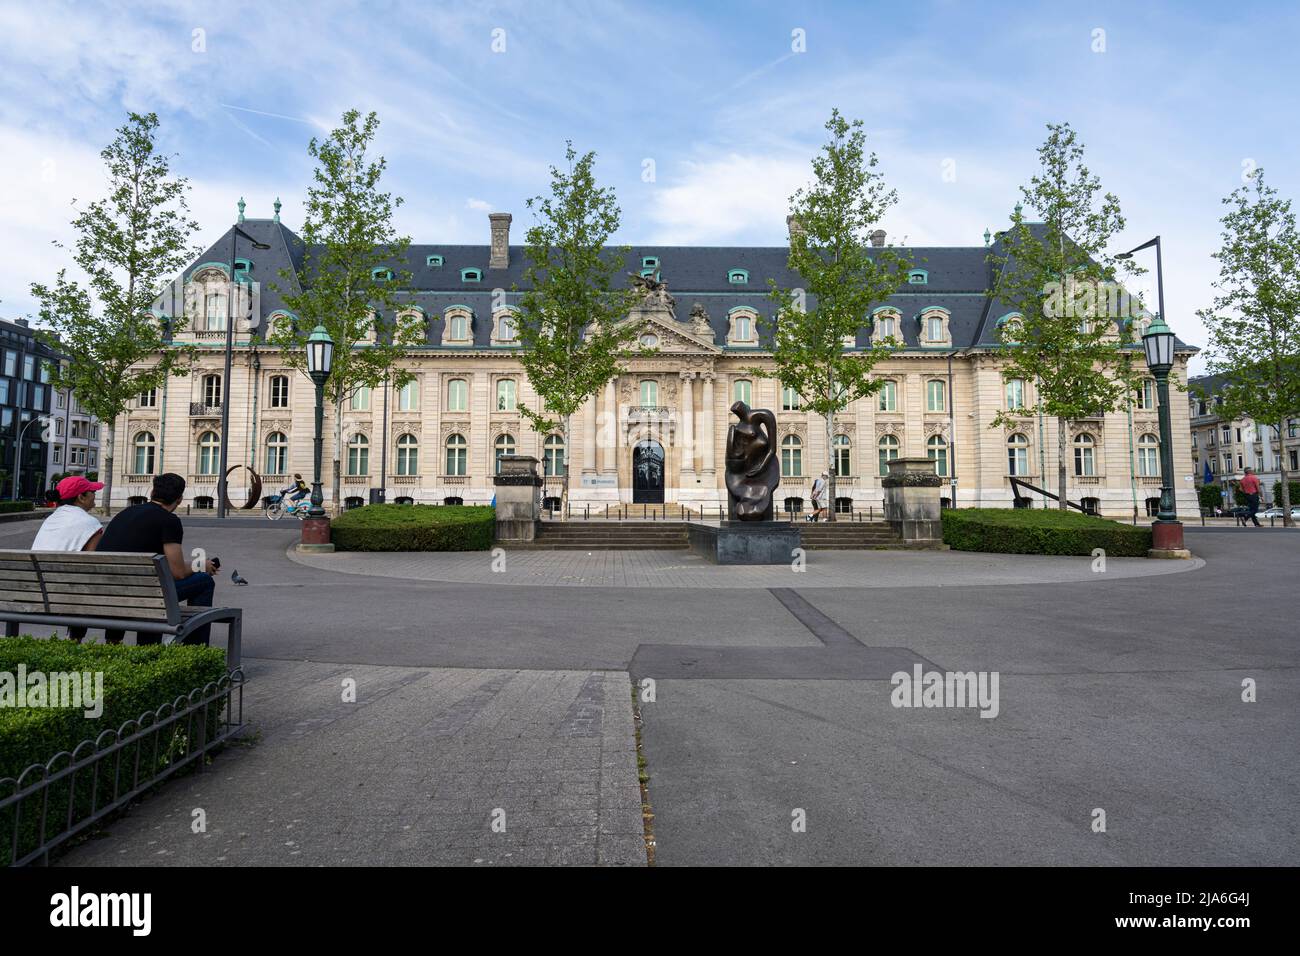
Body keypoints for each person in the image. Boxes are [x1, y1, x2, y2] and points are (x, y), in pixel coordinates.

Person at [97, 473, 219, 646]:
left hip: (106, 593)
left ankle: (143, 648)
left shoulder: (125, 513)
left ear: (153, 492)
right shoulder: (169, 521)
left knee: (150, 584)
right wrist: (201, 565)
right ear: (179, 499)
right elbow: (177, 572)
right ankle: (193, 650)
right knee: (204, 581)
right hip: (143, 596)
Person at [31, 475, 105, 643]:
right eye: (92, 491)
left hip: (37, 591)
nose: (95, 494)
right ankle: (79, 640)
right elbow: (91, 564)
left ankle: (73, 640)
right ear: (81, 497)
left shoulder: (52, 518)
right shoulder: (90, 523)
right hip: (66, 595)